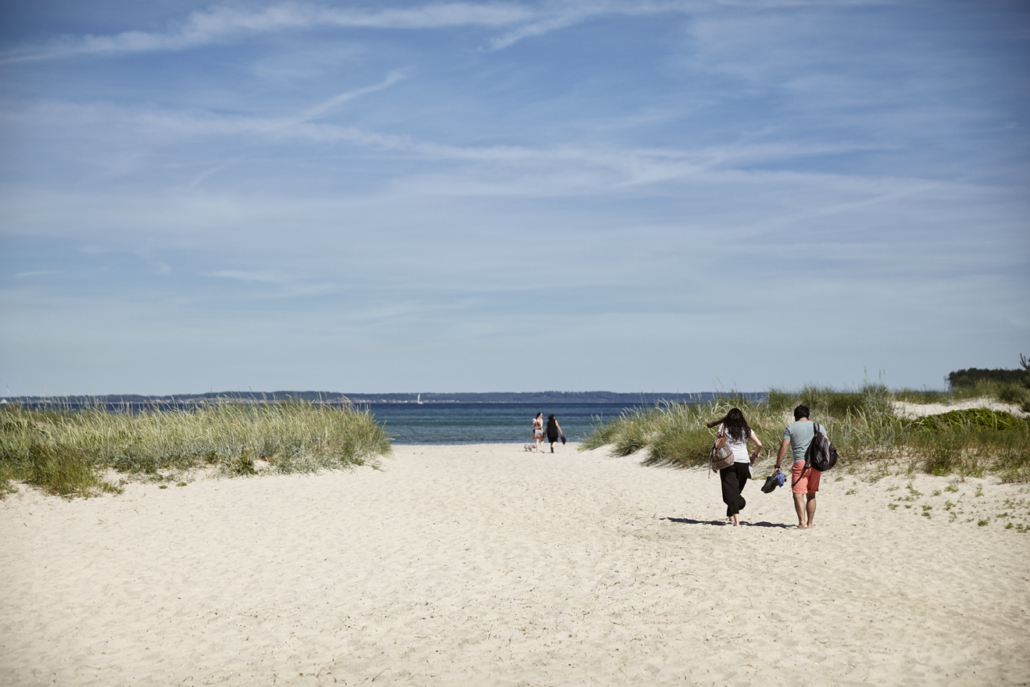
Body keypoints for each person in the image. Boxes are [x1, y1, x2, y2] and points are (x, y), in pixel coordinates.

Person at [706, 408, 762, 527]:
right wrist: (754, 456)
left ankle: (737, 522)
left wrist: (714, 462)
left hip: (728, 461)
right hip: (743, 462)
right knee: (735, 491)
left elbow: (717, 446)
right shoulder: (746, 429)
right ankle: (731, 513)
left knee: (730, 494)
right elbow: (759, 444)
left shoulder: (723, 428)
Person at [774, 404, 826, 529]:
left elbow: (784, 447)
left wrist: (777, 465)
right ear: (808, 416)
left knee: (798, 494)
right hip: (816, 464)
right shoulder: (818, 426)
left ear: (795, 417)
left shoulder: (790, 427)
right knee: (811, 494)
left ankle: (802, 523)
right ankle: (810, 524)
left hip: (800, 464)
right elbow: (826, 443)